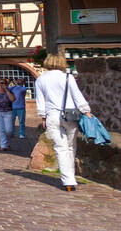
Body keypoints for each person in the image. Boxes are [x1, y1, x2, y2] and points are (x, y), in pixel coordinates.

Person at [34, 54, 92, 191]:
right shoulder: (68, 77)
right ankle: (70, 177)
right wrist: (86, 111)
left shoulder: (41, 79)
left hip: (52, 115)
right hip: (70, 115)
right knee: (71, 146)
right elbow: (77, 96)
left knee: (60, 148)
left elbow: (40, 101)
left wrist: (43, 117)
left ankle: (67, 181)